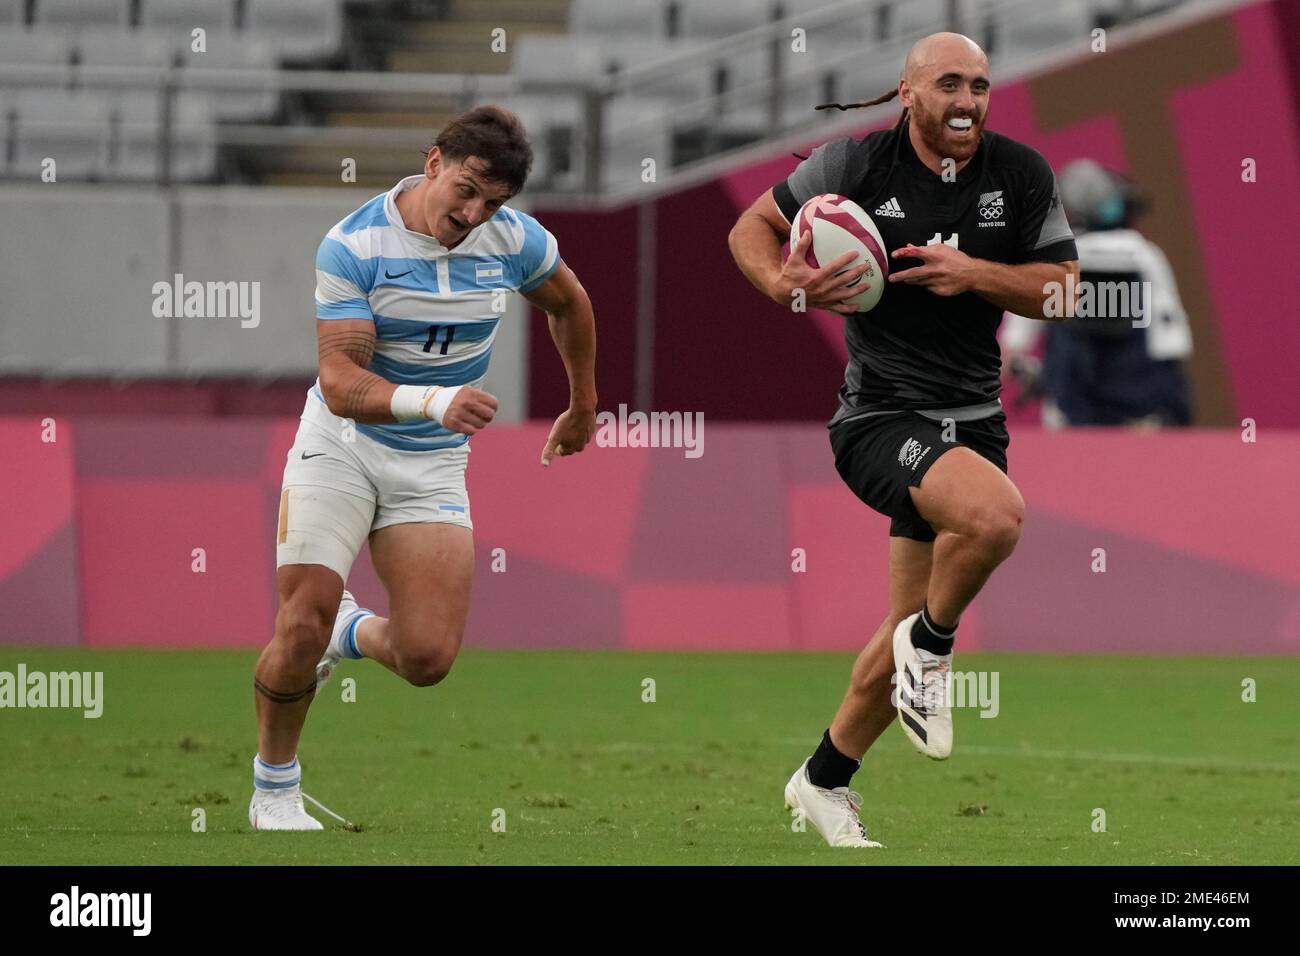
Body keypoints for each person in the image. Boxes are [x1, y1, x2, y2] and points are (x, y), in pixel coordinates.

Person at [728, 33, 1078, 847]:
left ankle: (822, 780)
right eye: (949, 83)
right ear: (908, 92)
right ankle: (934, 644)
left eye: (981, 86)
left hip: (975, 422)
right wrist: (787, 285)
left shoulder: (1020, 173)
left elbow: (1063, 293)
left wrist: (976, 274)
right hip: (881, 420)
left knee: (894, 644)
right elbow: (752, 228)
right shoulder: (853, 168)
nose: (967, 101)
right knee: (995, 520)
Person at [250, 105, 598, 830]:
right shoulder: (353, 245)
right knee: (299, 623)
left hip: (432, 464)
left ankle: (348, 633)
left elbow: (569, 303)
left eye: (493, 202)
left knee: (426, 657)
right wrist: (432, 400)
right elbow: (342, 383)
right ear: (434, 163)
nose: (473, 213)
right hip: (340, 448)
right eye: (466, 190)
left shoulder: (513, 241)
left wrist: (584, 403)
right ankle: (274, 786)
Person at [1000, 158, 1193, 428]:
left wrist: (1036, 372)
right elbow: (1173, 344)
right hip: (1141, 417)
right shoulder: (1146, 256)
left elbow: (1011, 353)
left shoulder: (1051, 261)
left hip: (1069, 415)